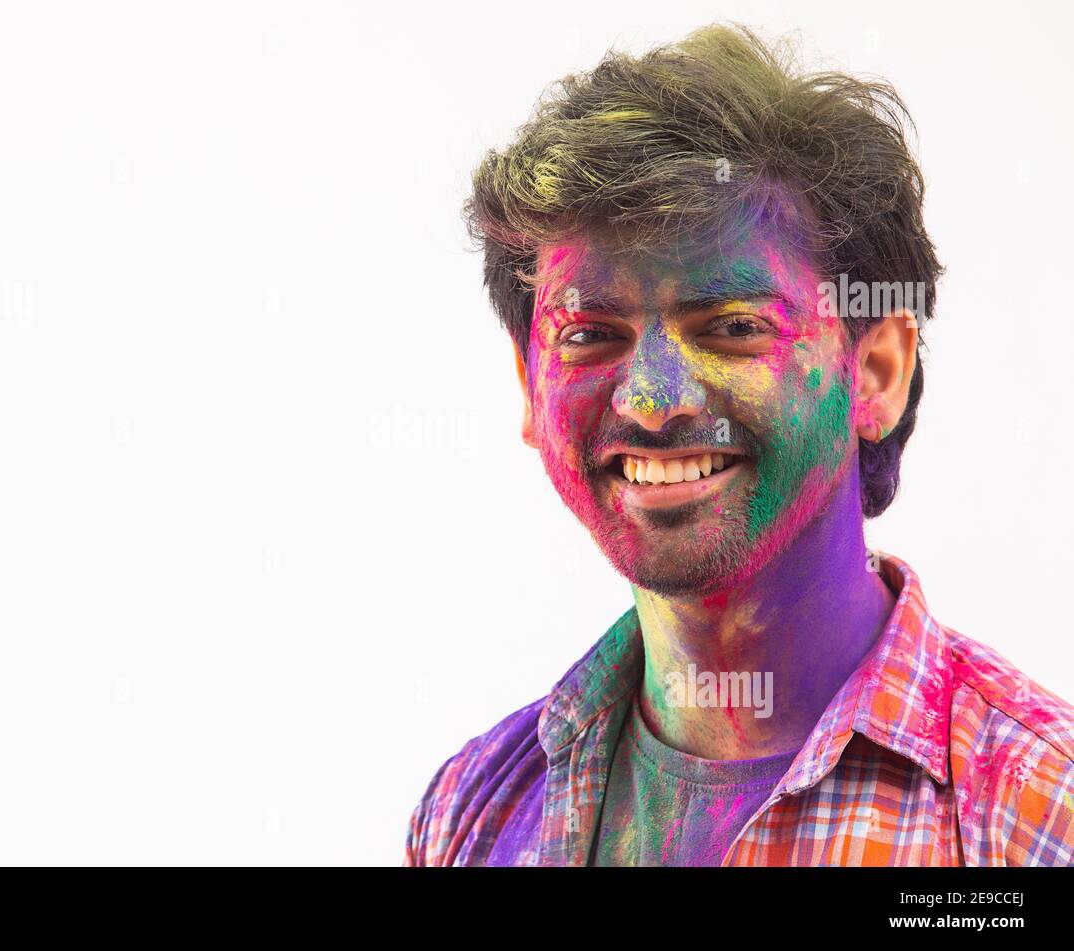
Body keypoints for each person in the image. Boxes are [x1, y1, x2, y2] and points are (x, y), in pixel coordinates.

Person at [404, 23, 1074, 866]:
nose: (650, 403)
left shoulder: (1035, 817)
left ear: (875, 371)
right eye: (589, 335)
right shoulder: (475, 814)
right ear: (528, 384)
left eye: (731, 327)